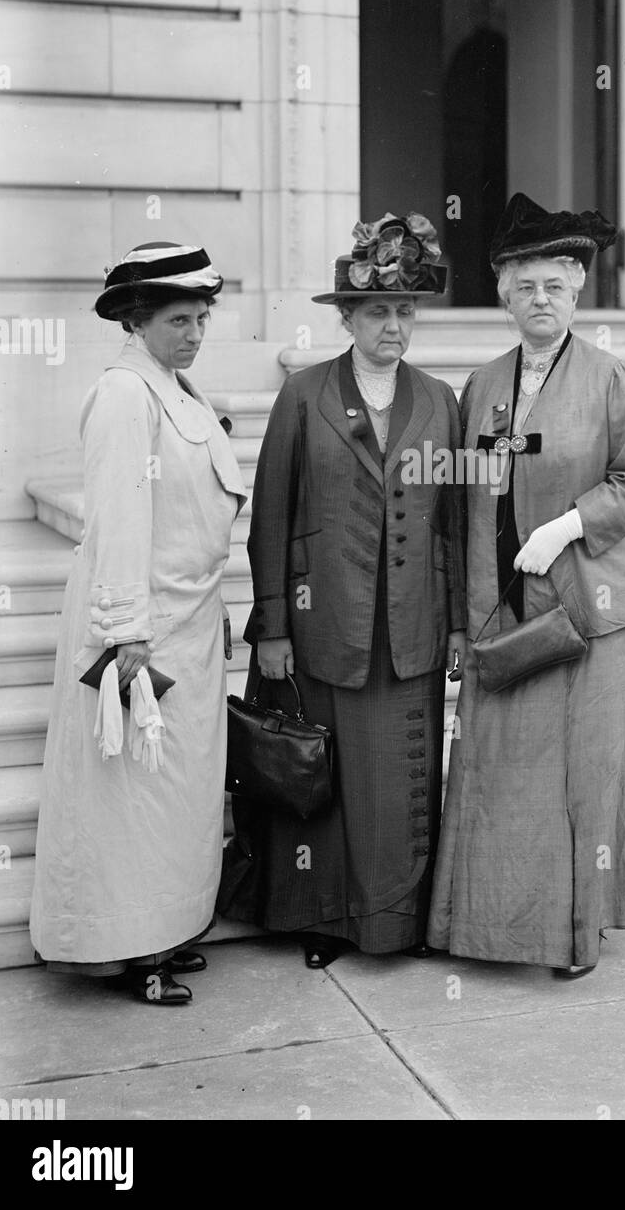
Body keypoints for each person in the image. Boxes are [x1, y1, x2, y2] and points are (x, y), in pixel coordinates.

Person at [219, 212, 466, 967]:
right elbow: (270, 516)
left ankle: (395, 923)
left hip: (413, 630)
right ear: (349, 318)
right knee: (324, 784)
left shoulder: (441, 402)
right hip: (324, 622)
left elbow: (453, 524)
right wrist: (272, 629)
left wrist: (457, 625)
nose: (394, 326)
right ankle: (323, 921)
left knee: (399, 786)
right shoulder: (304, 396)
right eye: (378, 312)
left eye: (404, 312)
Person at [427, 193, 625, 977]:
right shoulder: (483, 383)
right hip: (503, 612)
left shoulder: (607, 379)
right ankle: (487, 925)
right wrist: (466, 623)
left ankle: (576, 932)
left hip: (591, 610)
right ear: (502, 294)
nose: (540, 302)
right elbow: (463, 501)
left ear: (576, 294)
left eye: (555, 287)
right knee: (497, 765)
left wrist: (568, 525)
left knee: (583, 771)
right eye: (525, 286)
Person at [29, 242, 247, 1004]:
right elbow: (120, 516)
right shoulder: (125, 394)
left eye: (200, 318)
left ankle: (169, 931)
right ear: (135, 320)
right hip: (140, 633)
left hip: (189, 623)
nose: (193, 332)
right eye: (178, 319)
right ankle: (128, 952)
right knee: (131, 801)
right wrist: (127, 634)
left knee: (178, 799)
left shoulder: (176, 388)